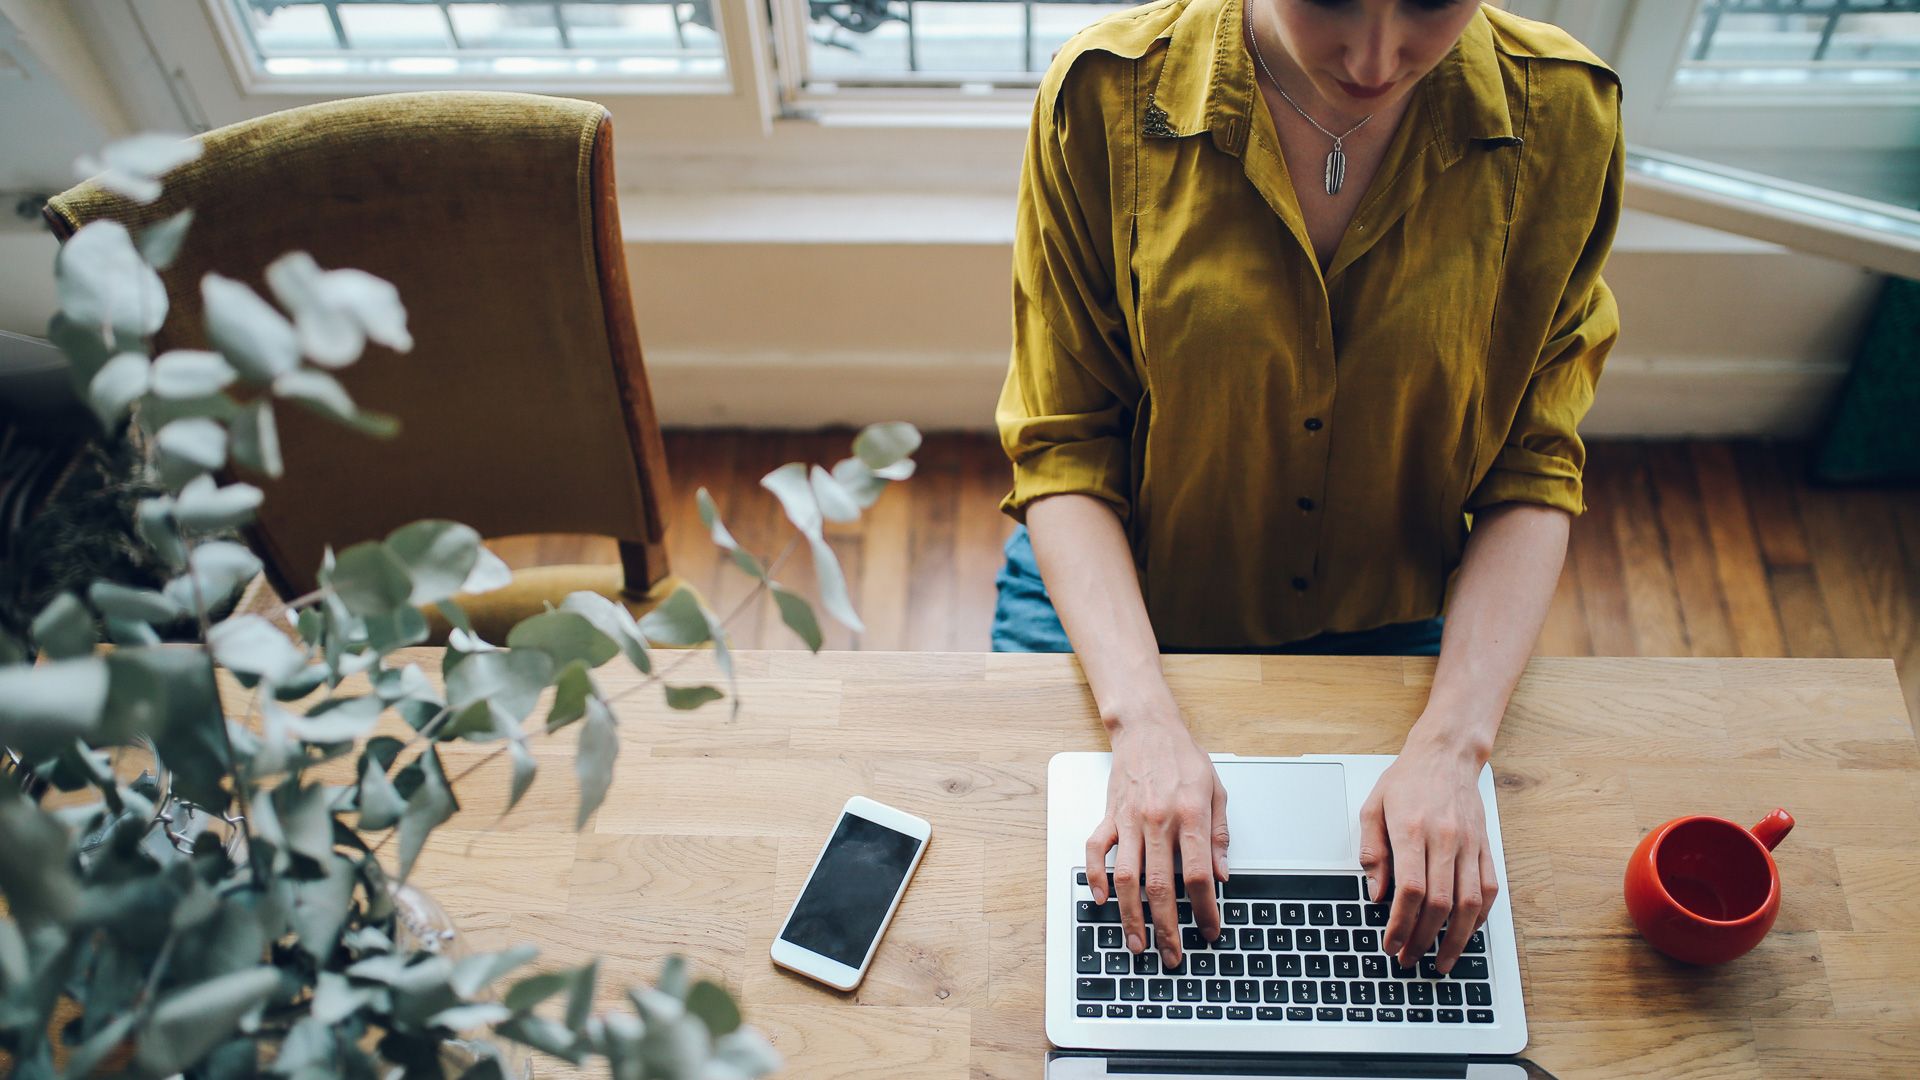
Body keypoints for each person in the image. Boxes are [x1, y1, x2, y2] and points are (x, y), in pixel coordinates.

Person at [992, 0, 1623, 982]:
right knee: (1044, 948)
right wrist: (1144, 721)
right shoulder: (1103, 95)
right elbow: (1066, 445)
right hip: (1131, 601)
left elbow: (1533, 462)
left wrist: (1453, 746)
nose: (1376, 59)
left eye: (1428, 2)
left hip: (1395, 612)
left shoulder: (1570, 118)